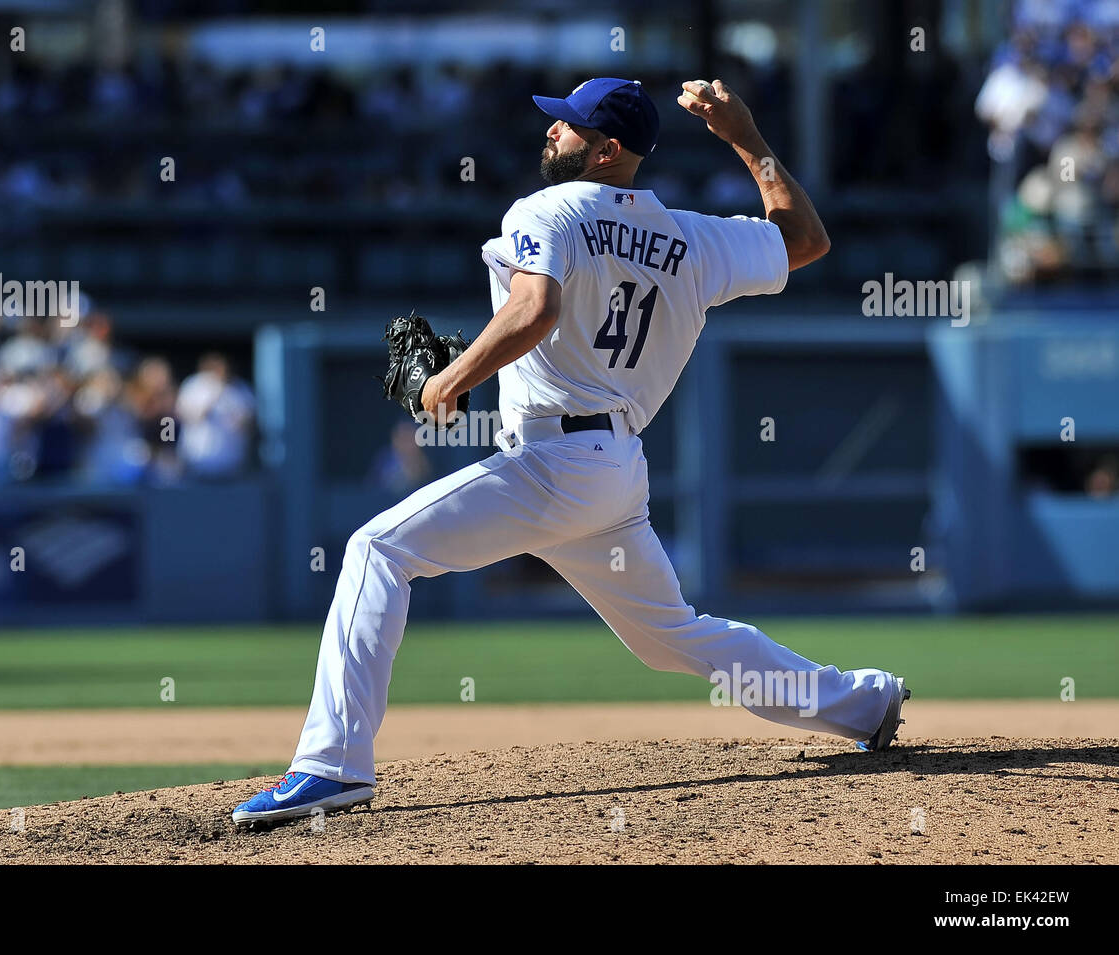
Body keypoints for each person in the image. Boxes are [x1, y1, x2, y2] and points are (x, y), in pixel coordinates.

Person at [233, 77, 908, 825]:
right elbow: (805, 240)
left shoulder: (547, 207)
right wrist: (747, 140)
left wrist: (448, 382)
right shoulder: (695, 237)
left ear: (607, 149)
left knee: (376, 551)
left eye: (567, 126)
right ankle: (865, 702)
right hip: (612, 474)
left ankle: (332, 767)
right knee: (671, 636)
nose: (550, 132)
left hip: (554, 466)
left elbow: (537, 307)